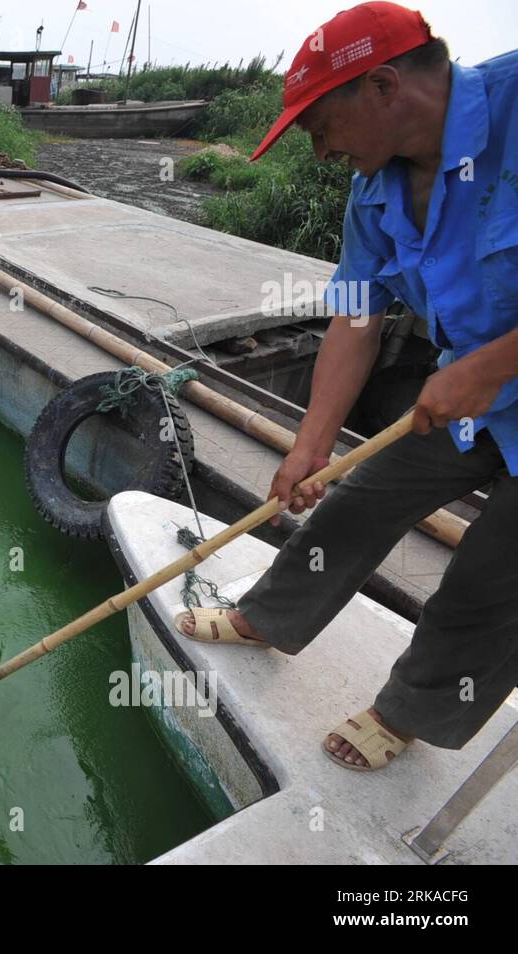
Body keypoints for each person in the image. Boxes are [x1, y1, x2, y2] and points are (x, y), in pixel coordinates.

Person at [174, 1, 518, 771]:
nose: (317, 148)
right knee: (362, 496)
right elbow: (358, 320)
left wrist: (491, 367)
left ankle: (409, 713)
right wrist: (310, 447)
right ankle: (270, 617)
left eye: (318, 125)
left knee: (493, 575)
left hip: (485, 382)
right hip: (478, 400)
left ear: (385, 87)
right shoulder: (374, 187)